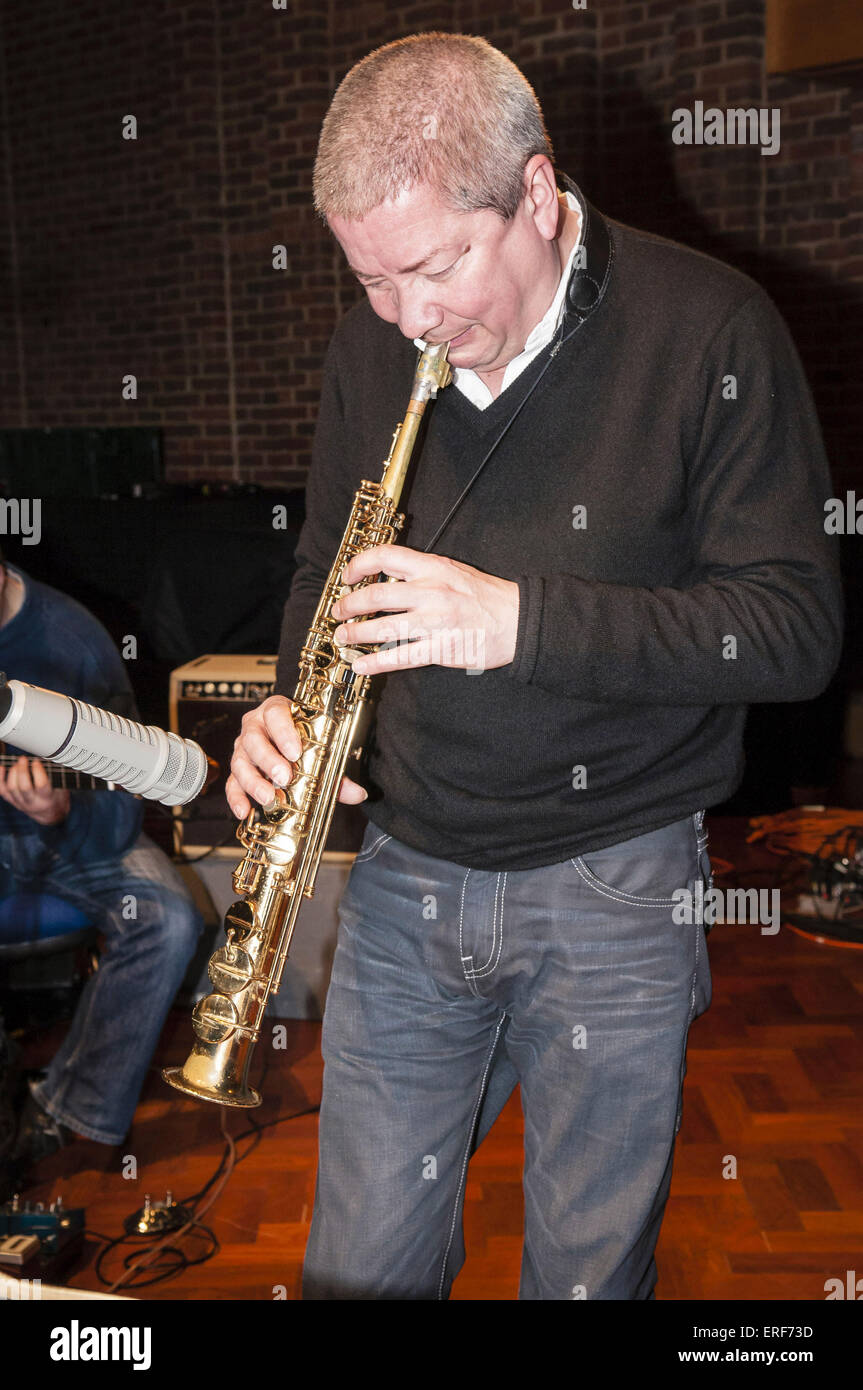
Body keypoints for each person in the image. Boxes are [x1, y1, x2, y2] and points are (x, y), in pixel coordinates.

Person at [226, 33, 843, 1299]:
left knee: (584, 1277)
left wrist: (519, 622)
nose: (407, 319)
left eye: (434, 267)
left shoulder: (710, 329)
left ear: (537, 195)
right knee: (357, 1273)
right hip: (406, 873)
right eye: (371, 280)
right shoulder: (375, 346)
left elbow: (789, 629)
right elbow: (324, 575)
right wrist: (289, 696)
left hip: (615, 880)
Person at [0, 555, 203, 1181]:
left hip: (70, 839)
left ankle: (65, 1109)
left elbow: (121, 800)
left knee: (168, 917)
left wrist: (56, 814)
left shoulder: (71, 638)